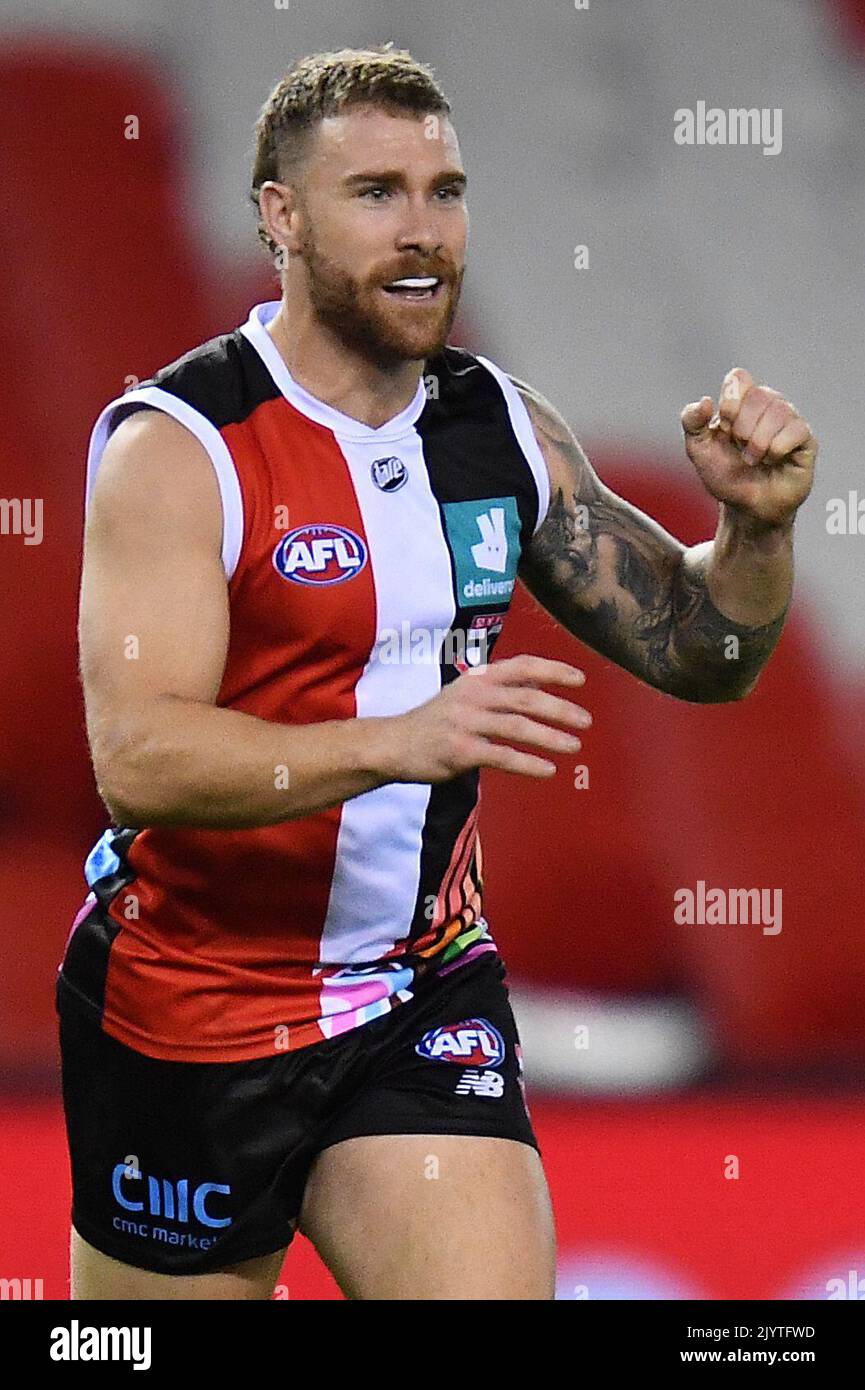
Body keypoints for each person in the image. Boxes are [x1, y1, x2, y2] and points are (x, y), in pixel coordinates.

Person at [56, 45, 817, 1300]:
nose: (423, 233)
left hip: (417, 989)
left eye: (444, 190)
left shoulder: (497, 427)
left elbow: (703, 649)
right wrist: (396, 741)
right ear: (279, 217)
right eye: (376, 195)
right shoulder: (180, 446)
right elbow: (137, 760)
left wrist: (757, 532)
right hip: (189, 1008)